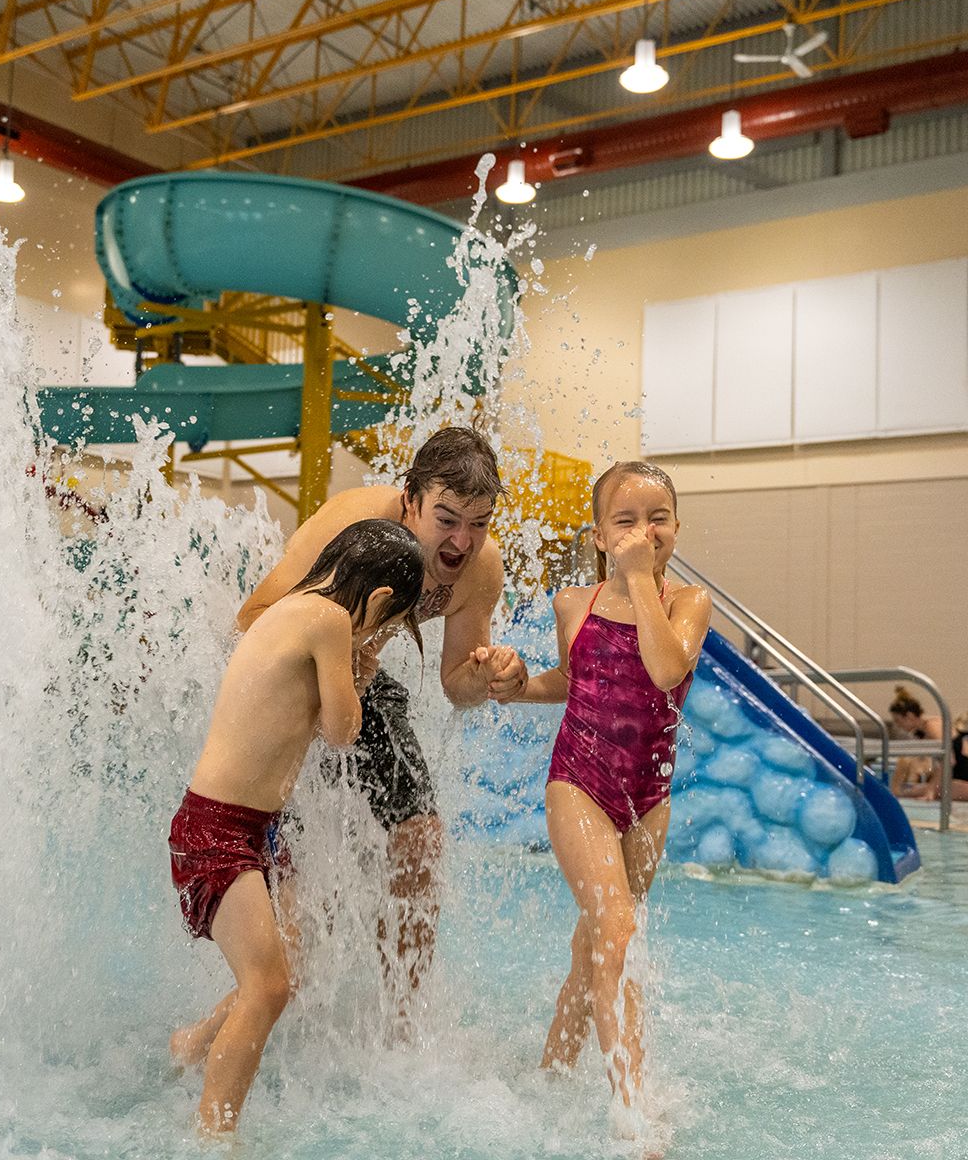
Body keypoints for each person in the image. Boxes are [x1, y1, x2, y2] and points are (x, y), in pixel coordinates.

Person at [235, 427, 528, 1019]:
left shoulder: (479, 571)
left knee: (421, 838)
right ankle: (236, 1018)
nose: (461, 542)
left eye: (479, 522)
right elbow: (253, 619)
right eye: (446, 518)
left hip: (362, 682)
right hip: (294, 683)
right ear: (410, 501)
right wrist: (336, 668)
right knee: (301, 912)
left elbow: (456, 686)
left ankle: (403, 1023)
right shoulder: (351, 526)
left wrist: (493, 673)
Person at [167, 519, 425, 1135]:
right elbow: (342, 733)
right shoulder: (330, 622)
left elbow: (301, 729)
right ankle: (214, 1133)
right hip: (219, 830)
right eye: (387, 627)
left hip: (246, 829)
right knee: (269, 987)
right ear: (382, 600)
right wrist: (361, 673)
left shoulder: (294, 612)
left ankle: (191, 1044)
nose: (379, 637)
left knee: (291, 966)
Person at [512, 460, 712, 1133]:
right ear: (599, 535)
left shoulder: (689, 605)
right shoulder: (576, 603)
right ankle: (633, 1108)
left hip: (649, 797)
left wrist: (639, 584)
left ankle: (552, 1069)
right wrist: (515, 686)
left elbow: (665, 666)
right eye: (624, 521)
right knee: (618, 934)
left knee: (594, 947)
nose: (641, 531)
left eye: (657, 518)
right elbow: (571, 681)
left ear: (676, 530)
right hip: (580, 783)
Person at [887, 686, 945, 798]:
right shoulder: (922, 732)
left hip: (967, 783)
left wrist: (931, 790)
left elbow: (948, 761)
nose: (898, 726)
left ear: (910, 716)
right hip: (956, 780)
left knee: (903, 793)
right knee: (900, 792)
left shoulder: (932, 726)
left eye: (898, 721)